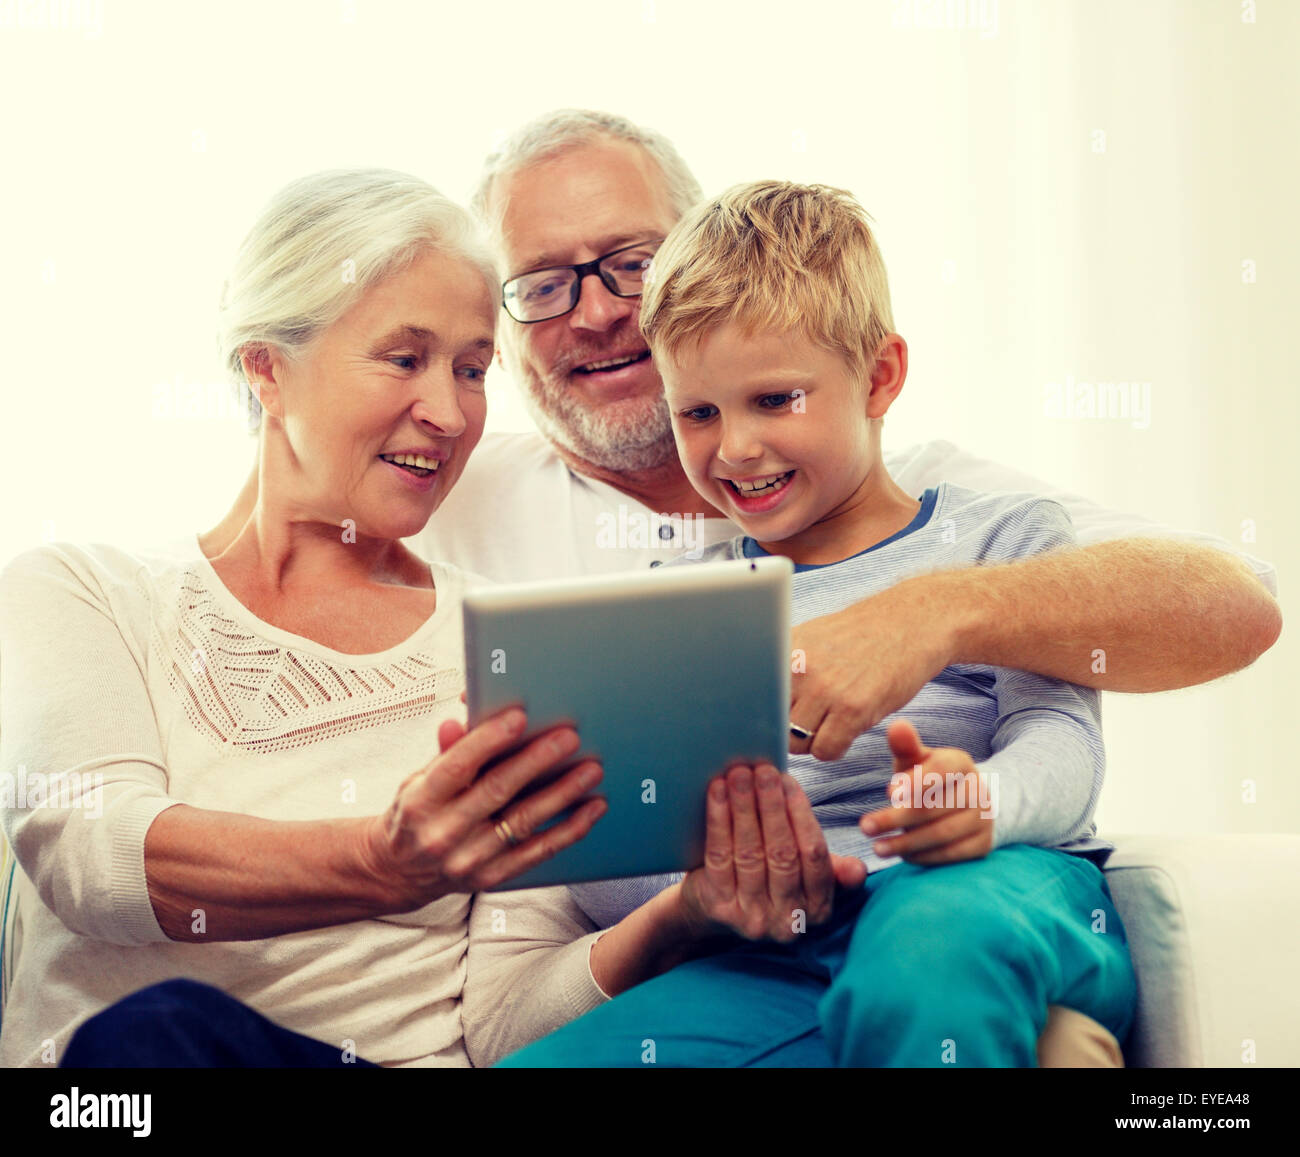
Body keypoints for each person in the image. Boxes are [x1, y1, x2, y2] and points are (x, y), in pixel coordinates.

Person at [0, 167, 833, 1067]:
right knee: (152, 1035)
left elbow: (507, 1021)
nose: (448, 412)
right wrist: (382, 861)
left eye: (472, 369)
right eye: (405, 359)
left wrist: (684, 915)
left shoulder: (505, 650)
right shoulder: (83, 591)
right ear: (268, 369)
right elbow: (90, 852)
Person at [500, 179, 1137, 1066]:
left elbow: (1065, 741)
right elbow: (617, 871)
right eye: (698, 412)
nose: (734, 448)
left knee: (924, 966)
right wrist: (708, 885)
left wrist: (980, 801)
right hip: (778, 946)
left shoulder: (1004, 535)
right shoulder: (677, 603)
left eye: (775, 401)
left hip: (986, 888)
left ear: (879, 377)